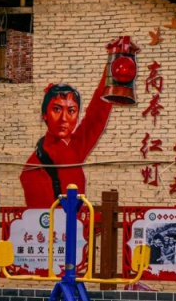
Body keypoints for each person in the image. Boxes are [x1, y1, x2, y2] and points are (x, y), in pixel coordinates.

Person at [19, 68, 114, 208]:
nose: (64, 118)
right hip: (59, 221)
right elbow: (44, 216)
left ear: (77, 116)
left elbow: (97, 115)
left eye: (71, 111)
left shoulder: (73, 146)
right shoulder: (34, 166)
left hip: (75, 221)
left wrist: (111, 69)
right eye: (56, 109)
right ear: (44, 115)